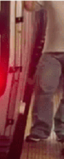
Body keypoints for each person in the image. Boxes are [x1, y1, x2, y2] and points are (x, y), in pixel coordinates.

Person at [25, 1, 64, 143]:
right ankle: (40, 131)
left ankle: (63, 130)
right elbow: (30, 6)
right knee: (44, 90)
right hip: (51, 51)